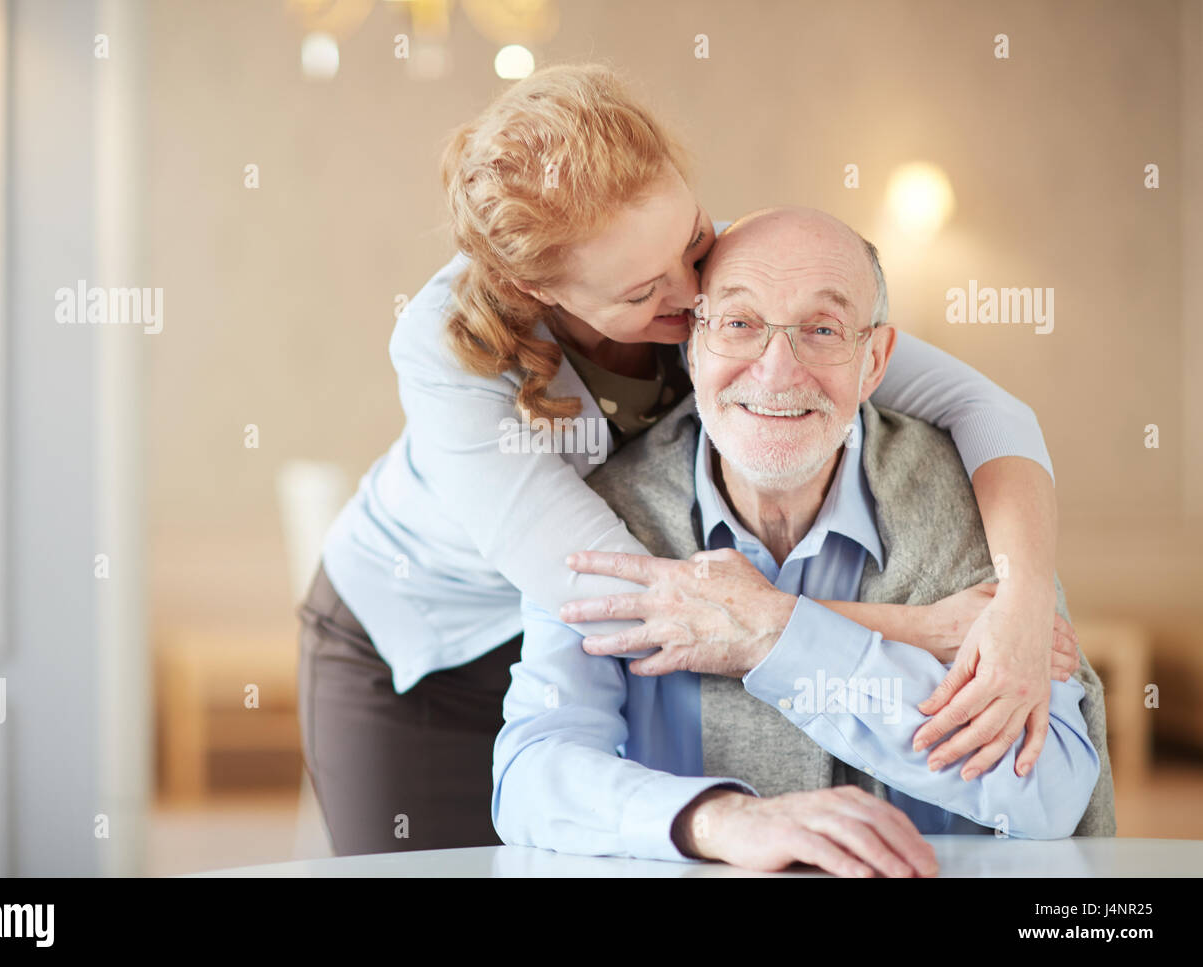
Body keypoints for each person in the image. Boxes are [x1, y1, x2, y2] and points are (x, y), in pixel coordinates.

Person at [297, 63, 1067, 856]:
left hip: (601, 639)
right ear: (540, 291)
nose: (695, 291)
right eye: (642, 294)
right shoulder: (443, 354)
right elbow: (640, 605)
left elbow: (986, 409)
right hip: (420, 651)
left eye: (694, 238)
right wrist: (923, 630)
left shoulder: (718, 282)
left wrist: (1022, 599)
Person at [492, 206, 1114, 874]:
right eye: (739, 324)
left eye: (822, 328)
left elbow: (1048, 792)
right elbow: (535, 772)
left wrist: (775, 632)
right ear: (691, 347)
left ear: (874, 360)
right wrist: (720, 818)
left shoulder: (975, 502)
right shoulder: (601, 514)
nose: (777, 371)